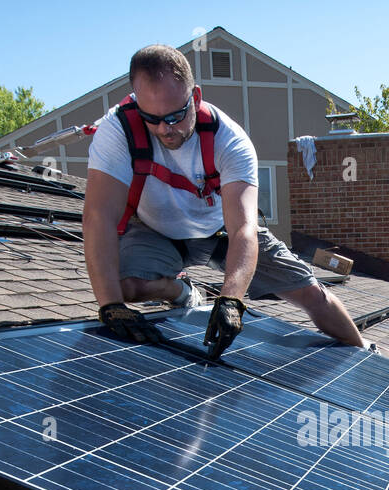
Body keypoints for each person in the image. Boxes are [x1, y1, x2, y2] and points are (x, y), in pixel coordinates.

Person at [82, 44, 363, 357]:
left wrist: (231, 298)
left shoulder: (229, 141)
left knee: (312, 294)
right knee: (118, 286)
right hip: (156, 231)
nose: (166, 129)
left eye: (176, 116)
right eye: (153, 119)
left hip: (222, 231)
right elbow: (99, 217)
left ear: (196, 98)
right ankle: (183, 291)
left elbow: (243, 228)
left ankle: (365, 350)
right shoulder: (117, 131)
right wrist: (110, 306)